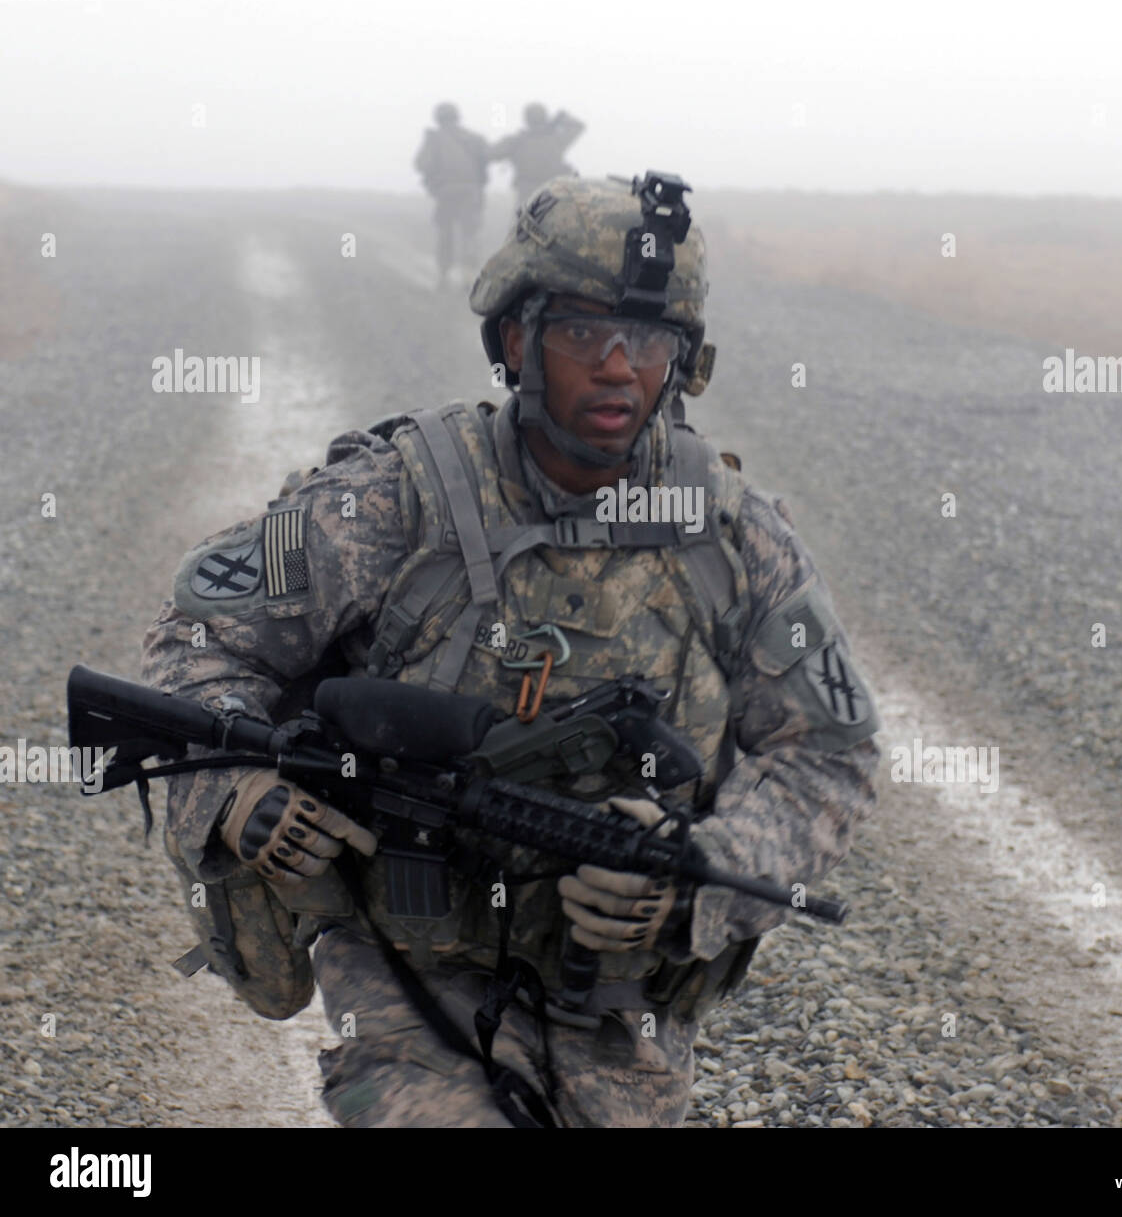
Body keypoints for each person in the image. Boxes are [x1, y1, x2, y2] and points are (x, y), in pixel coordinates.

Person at [141, 171, 880, 1128]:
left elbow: (829, 752)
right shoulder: (399, 499)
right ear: (516, 338)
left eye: (649, 340)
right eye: (582, 333)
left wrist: (698, 869)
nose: (618, 367)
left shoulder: (730, 537)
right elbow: (197, 639)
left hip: (620, 1012)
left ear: (684, 360)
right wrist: (235, 792)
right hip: (407, 978)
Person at [413, 102, 488, 288]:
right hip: (471, 192)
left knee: (445, 234)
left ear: (438, 118)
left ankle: (444, 276)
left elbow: (422, 164)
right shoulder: (474, 138)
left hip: (445, 193)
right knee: (469, 234)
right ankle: (469, 276)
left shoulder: (435, 138)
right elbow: (485, 163)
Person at [489, 103, 585, 205]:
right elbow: (578, 126)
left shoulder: (516, 141)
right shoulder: (555, 139)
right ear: (544, 117)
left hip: (529, 192)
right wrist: (562, 119)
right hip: (553, 191)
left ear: (527, 119)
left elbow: (492, 153)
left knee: (525, 219)